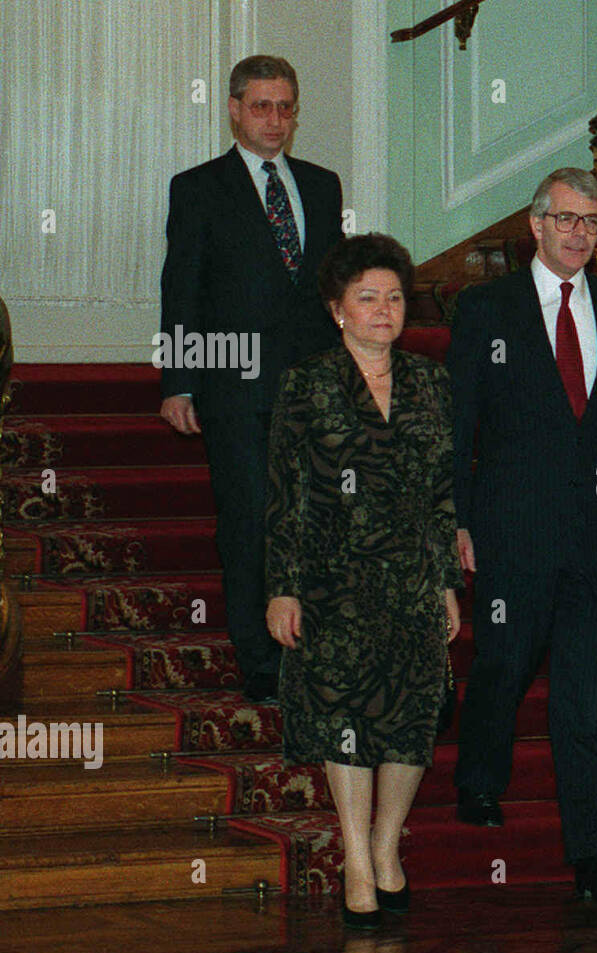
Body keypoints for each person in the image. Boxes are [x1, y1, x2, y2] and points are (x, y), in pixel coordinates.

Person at [448, 168, 597, 906]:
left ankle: (595, 856)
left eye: (592, 222)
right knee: (503, 659)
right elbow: (459, 423)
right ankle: (478, 776)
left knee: (585, 694)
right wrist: (459, 520)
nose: (579, 234)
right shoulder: (486, 307)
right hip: (512, 526)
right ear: (536, 225)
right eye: (565, 219)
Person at [264, 233, 461, 929]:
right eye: (367, 297)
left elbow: (442, 492)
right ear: (337, 309)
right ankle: (353, 855)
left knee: (409, 715)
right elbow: (286, 493)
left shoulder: (430, 381)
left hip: (411, 577)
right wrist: (282, 585)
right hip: (332, 580)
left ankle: (386, 845)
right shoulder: (307, 383)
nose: (384, 309)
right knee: (344, 714)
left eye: (396, 297)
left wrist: (445, 582)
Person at [159, 55, 343, 704]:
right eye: (262, 106)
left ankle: (308, 648)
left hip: (311, 388)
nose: (275, 120)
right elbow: (181, 287)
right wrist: (177, 380)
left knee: (310, 521)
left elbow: (330, 291)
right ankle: (261, 662)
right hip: (231, 386)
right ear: (234, 109)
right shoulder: (199, 187)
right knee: (248, 522)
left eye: (286, 107)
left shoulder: (322, 186)